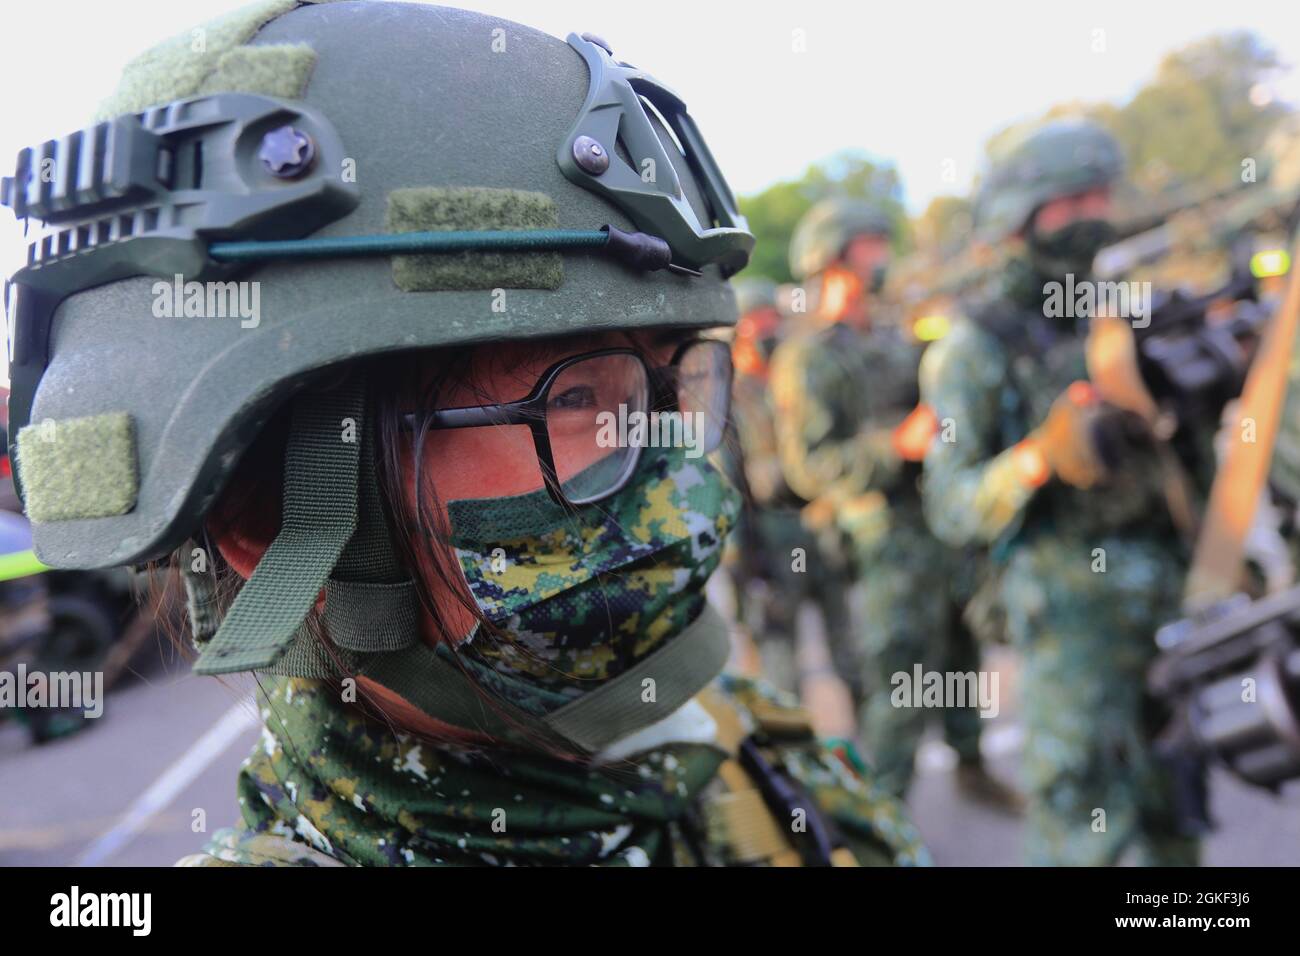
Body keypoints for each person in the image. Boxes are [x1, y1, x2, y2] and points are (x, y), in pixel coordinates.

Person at [4, 0, 928, 867]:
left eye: (675, 376)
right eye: (574, 399)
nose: (691, 480)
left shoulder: (741, 744)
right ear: (264, 515)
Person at [919, 118, 1201, 865]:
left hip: (1171, 590)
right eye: (1074, 201)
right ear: (1024, 213)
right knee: (1084, 817)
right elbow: (951, 506)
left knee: (1177, 797)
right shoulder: (974, 346)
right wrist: (1040, 455)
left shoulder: (1116, 312)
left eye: (1101, 197)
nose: (1095, 215)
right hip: (1068, 614)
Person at [769, 198, 1015, 803]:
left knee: (963, 652)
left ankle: (972, 766)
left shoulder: (889, 335)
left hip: (937, 524)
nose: (884, 257)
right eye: (870, 245)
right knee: (904, 680)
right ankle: (886, 815)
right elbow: (809, 468)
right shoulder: (809, 356)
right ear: (832, 259)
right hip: (884, 540)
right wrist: (895, 446)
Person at [723, 277, 853, 697]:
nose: (767, 335)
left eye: (771, 323)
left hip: (819, 528)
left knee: (851, 654)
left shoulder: (797, 379)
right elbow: (728, 492)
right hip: (770, 544)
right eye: (756, 326)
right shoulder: (725, 401)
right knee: (781, 675)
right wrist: (745, 569)